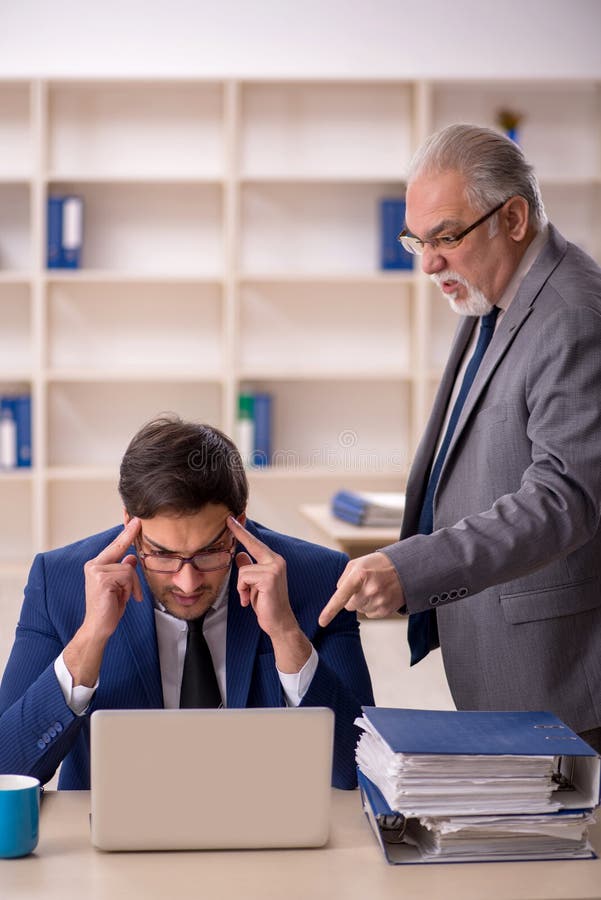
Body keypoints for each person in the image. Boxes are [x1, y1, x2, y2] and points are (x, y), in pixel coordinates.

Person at [320, 123, 601, 753]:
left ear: (515, 217)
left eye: (445, 237)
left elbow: (565, 500)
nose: (428, 262)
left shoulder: (573, 317)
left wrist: (413, 568)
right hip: (507, 660)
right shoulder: (494, 293)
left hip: (564, 679)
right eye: (416, 240)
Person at [0, 416, 374, 790]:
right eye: (162, 555)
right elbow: (7, 768)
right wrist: (89, 639)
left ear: (238, 522)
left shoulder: (320, 578)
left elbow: (360, 771)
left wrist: (286, 635)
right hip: (119, 836)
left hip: (268, 832)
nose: (187, 581)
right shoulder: (59, 582)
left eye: (210, 552)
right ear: (130, 523)